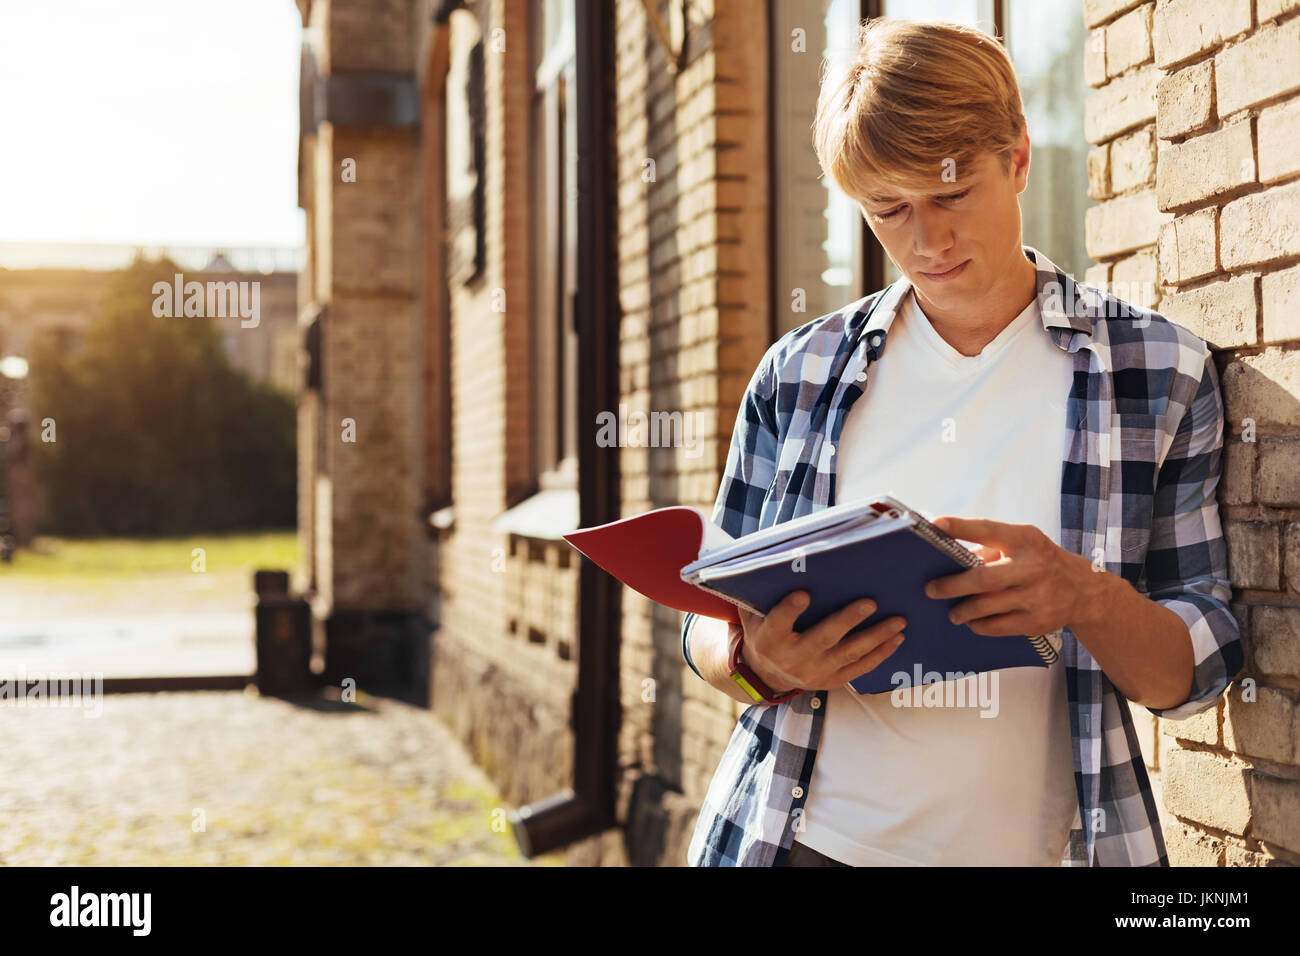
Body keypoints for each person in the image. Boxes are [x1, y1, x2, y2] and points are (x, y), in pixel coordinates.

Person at [679, 17, 1243, 867]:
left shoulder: (1159, 371)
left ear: (1017, 157)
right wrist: (756, 657)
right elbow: (706, 624)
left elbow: (1197, 673)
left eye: (950, 194)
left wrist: (1085, 598)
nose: (925, 240)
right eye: (889, 210)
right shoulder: (800, 373)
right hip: (795, 844)